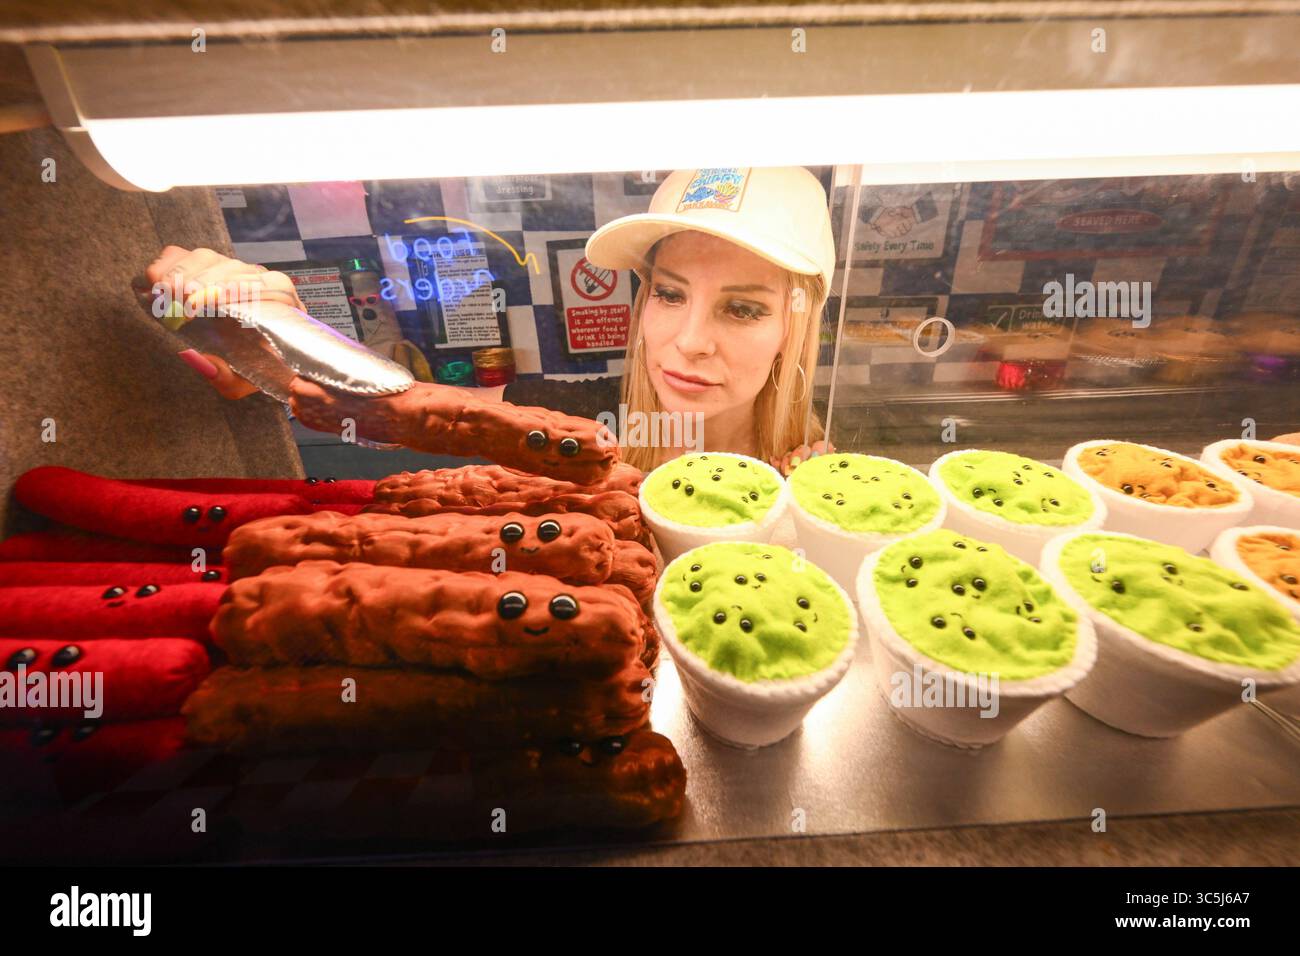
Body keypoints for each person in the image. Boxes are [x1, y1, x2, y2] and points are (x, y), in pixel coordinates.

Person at [154, 166, 837, 474]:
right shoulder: (582, 424)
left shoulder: (831, 484)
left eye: (743, 308)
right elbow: (397, 410)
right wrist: (274, 345)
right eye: (668, 294)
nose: (688, 342)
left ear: (795, 328)